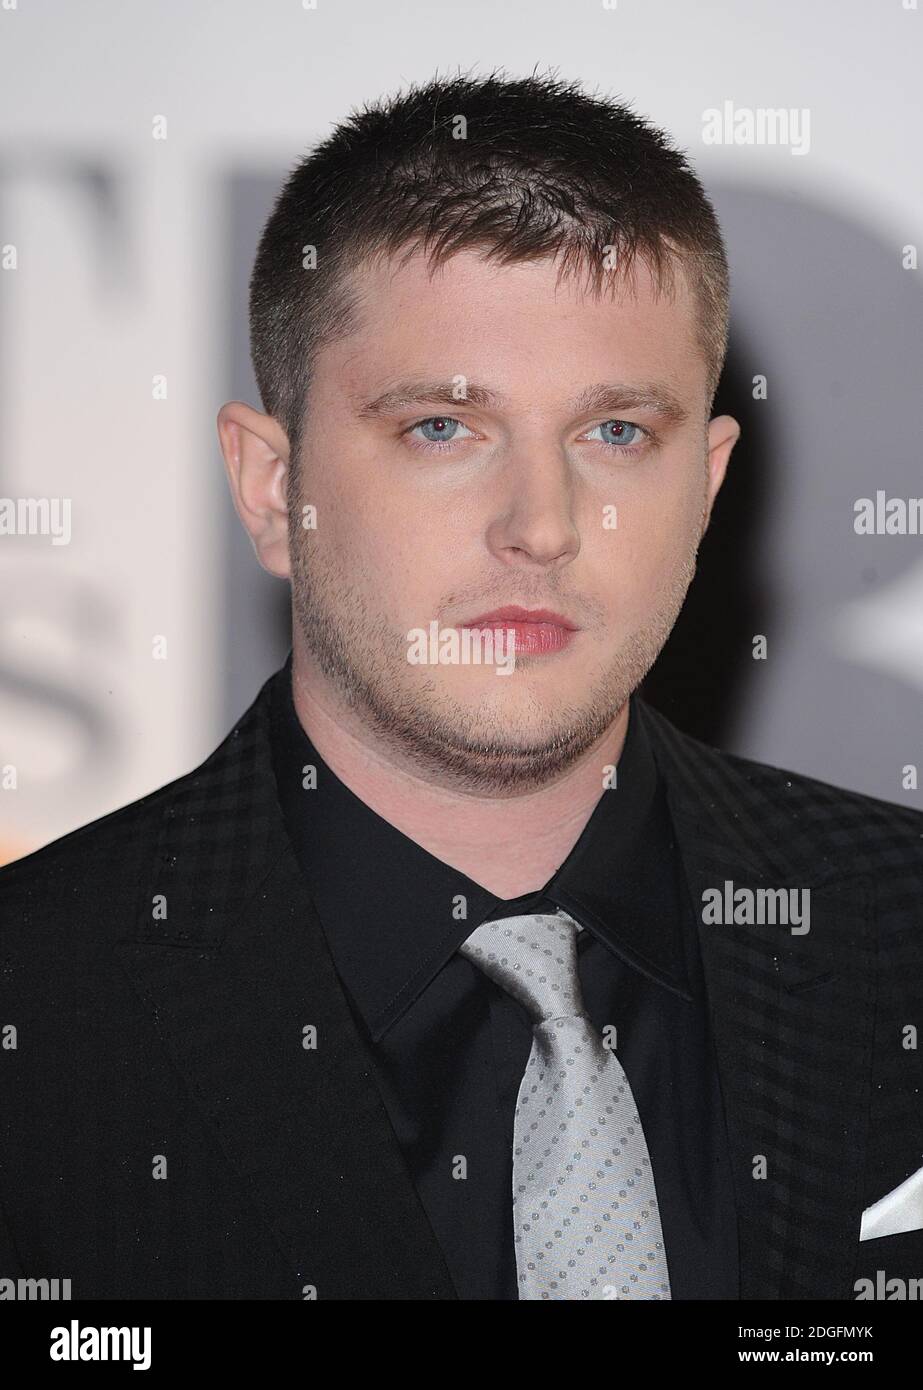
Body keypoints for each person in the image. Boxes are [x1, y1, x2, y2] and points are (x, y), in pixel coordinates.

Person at [1, 72, 921, 1302]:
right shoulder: (38, 1010)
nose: (539, 527)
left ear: (704, 492)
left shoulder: (893, 932)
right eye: (443, 426)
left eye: (614, 433)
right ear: (274, 489)